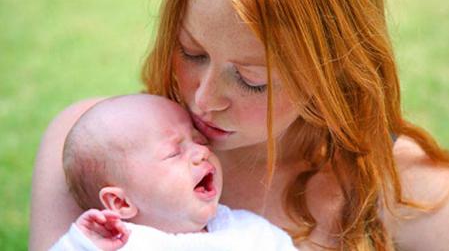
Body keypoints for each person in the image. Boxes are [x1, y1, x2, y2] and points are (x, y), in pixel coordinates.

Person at [30, 0, 449, 250]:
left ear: (335, 68)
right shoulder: (96, 151)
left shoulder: (403, 185)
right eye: (191, 52)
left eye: (253, 81)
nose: (204, 99)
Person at [49, 94, 297, 250]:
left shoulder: (251, 233)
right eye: (174, 153)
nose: (201, 152)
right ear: (120, 202)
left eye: (199, 140)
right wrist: (79, 243)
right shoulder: (122, 243)